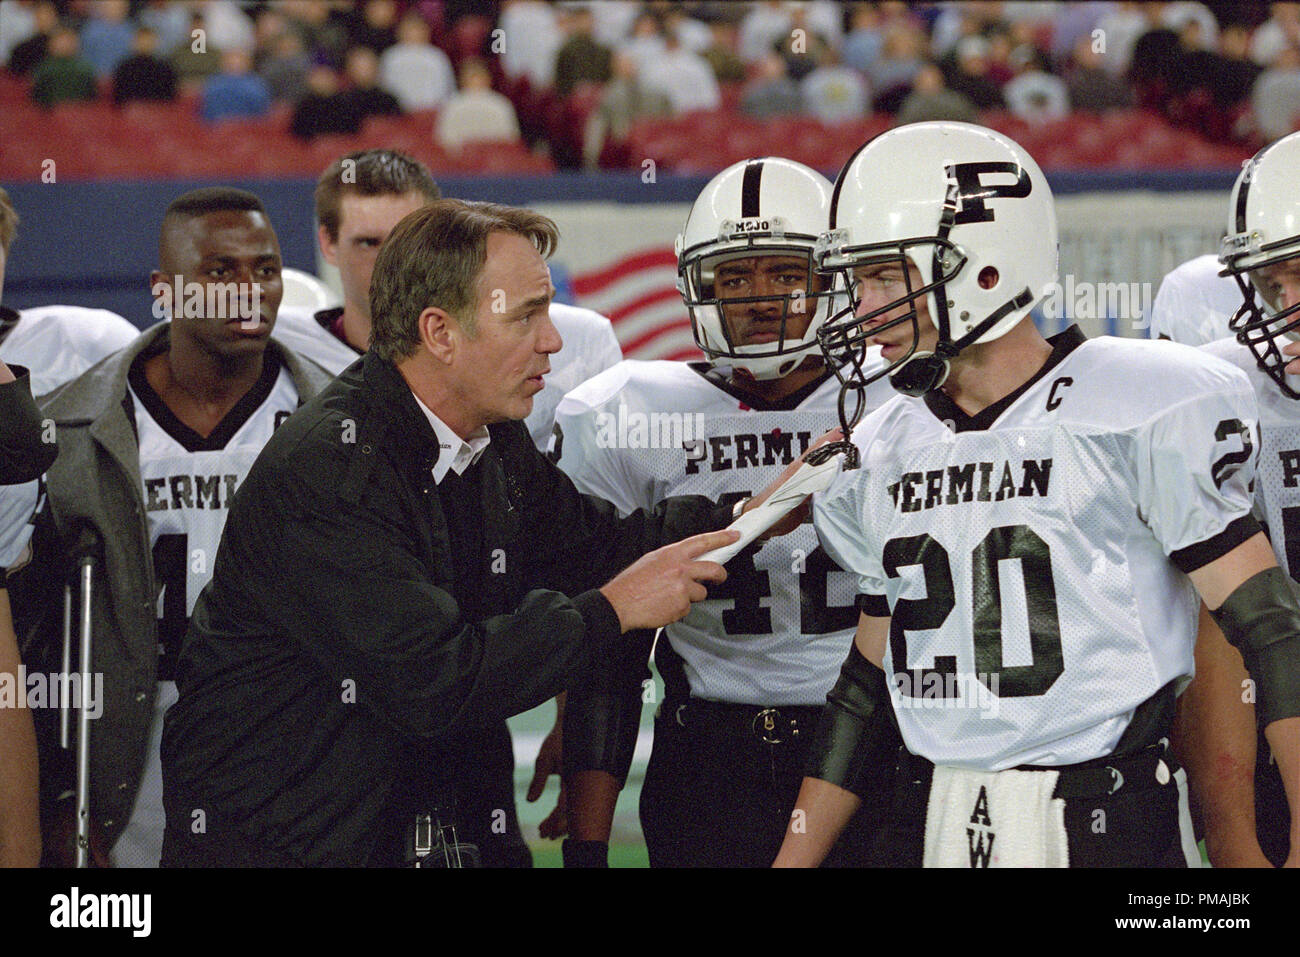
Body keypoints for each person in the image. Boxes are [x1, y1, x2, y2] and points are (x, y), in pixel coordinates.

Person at [157, 199, 814, 867]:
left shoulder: (491, 435)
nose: (553, 340)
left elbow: (596, 545)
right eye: (524, 315)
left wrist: (749, 515)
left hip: (429, 823)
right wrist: (613, 610)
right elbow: (437, 681)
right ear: (440, 332)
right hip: (292, 843)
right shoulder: (330, 472)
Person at [773, 121, 1299, 868]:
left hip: (1107, 819)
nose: (861, 309)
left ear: (984, 267)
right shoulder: (877, 447)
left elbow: (1271, 632)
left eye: (884, 277)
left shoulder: (1142, 400)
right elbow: (866, 685)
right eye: (855, 282)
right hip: (929, 814)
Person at [555, 158, 896, 868]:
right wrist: (588, 836)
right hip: (709, 759)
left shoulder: (905, 400)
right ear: (698, 287)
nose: (759, 297)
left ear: (831, 278)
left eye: (784, 273)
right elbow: (613, 644)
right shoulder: (630, 409)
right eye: (733, 278)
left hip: (883, 743)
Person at [10, 188, 332, 868]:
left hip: (303, 782)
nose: (250, 290)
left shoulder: (340, 426)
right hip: (131, 790)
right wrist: (61, 799)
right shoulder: (68, 432)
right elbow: (34, 648)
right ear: (164, 290)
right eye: (220, 271)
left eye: (266, 269)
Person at [1184, 130, 1300, 867]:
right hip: (1273, 723)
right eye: (1273, 286)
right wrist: (1230, 826)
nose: (1287, 309)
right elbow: (1213, 630)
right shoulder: (1221, 389)